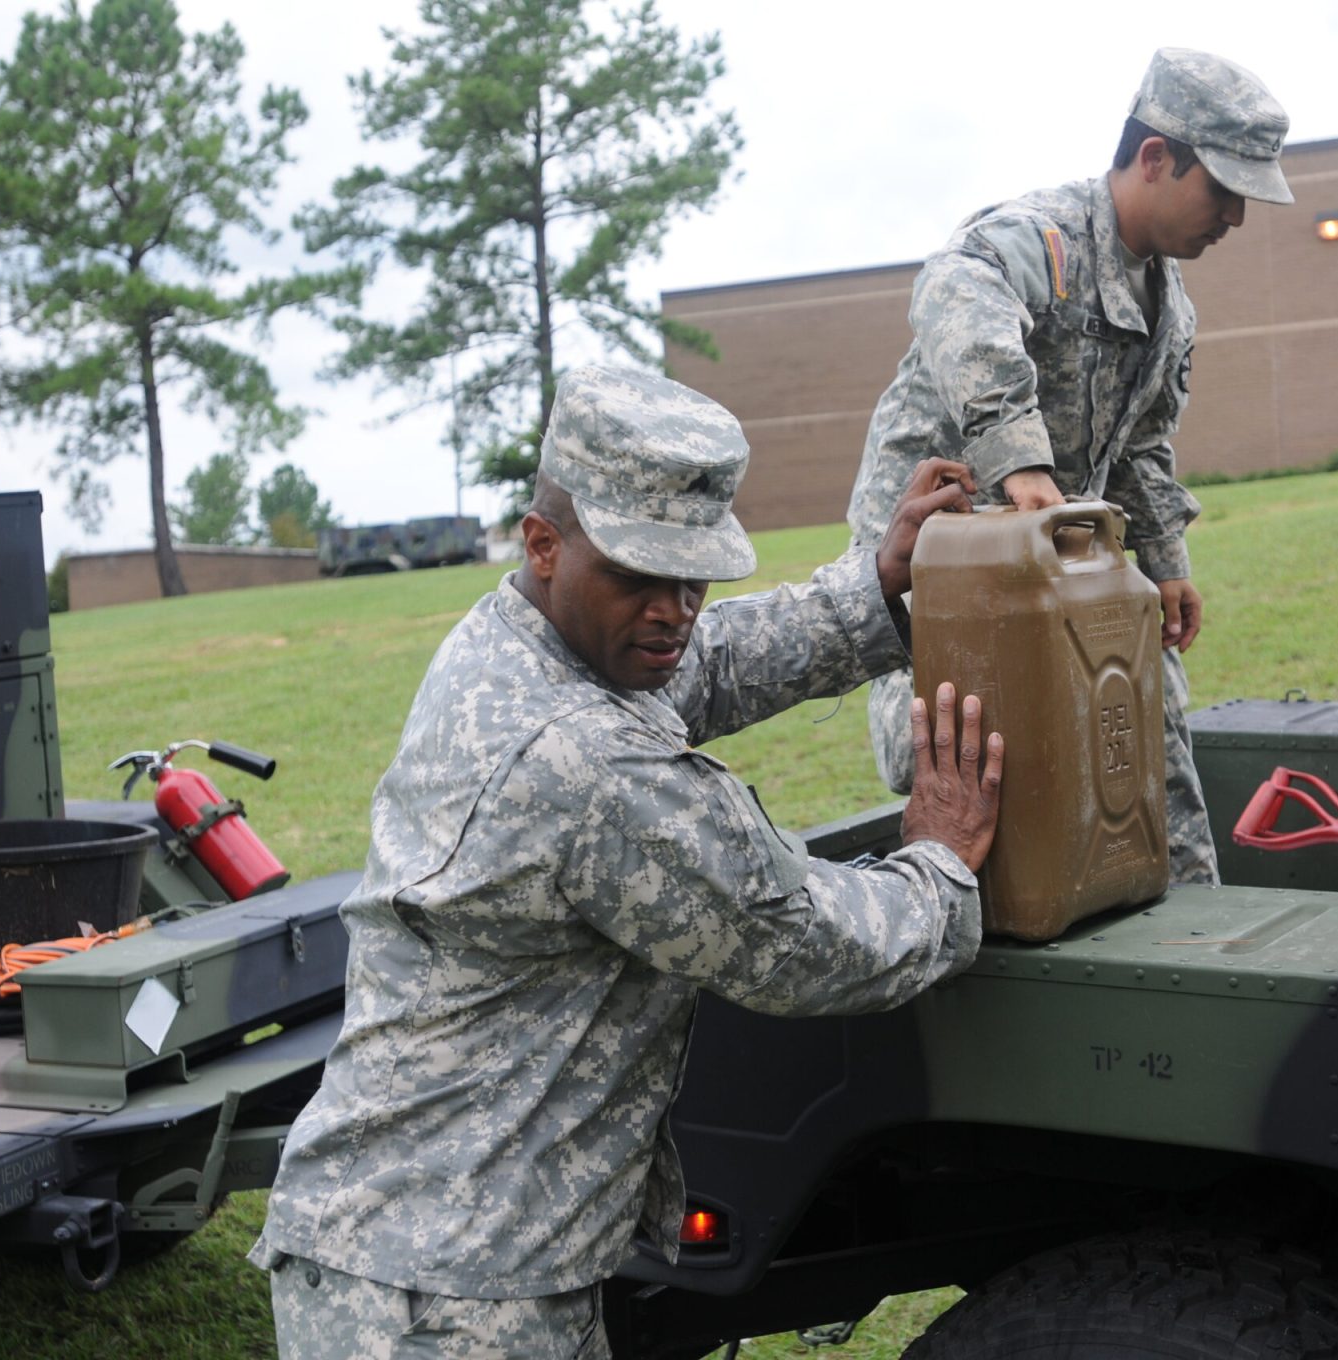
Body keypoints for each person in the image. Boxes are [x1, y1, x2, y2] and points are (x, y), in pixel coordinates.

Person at [248, 365, 1003, 1358]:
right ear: (543, 543)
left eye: (692, 575)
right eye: (639, 576)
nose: (673, 608)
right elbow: (797, 939)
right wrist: (940, 859)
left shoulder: (521, 638)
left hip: (429, 1248)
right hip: (442, 1300)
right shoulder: (583, 760)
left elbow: (705, 660)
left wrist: (870, 586)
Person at [845, 47, 1295, 886]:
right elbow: (952, 287)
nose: (1234, 215)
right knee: (962, 752)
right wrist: (1015, 454)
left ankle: (1183, 908)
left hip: (1059, 556)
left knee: (1141, 706)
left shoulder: (1171, 308)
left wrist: (1165, 565)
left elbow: (1145, 447)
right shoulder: (1042, 238)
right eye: (1223, 189)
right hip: (934, 556)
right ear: (1156, 157)